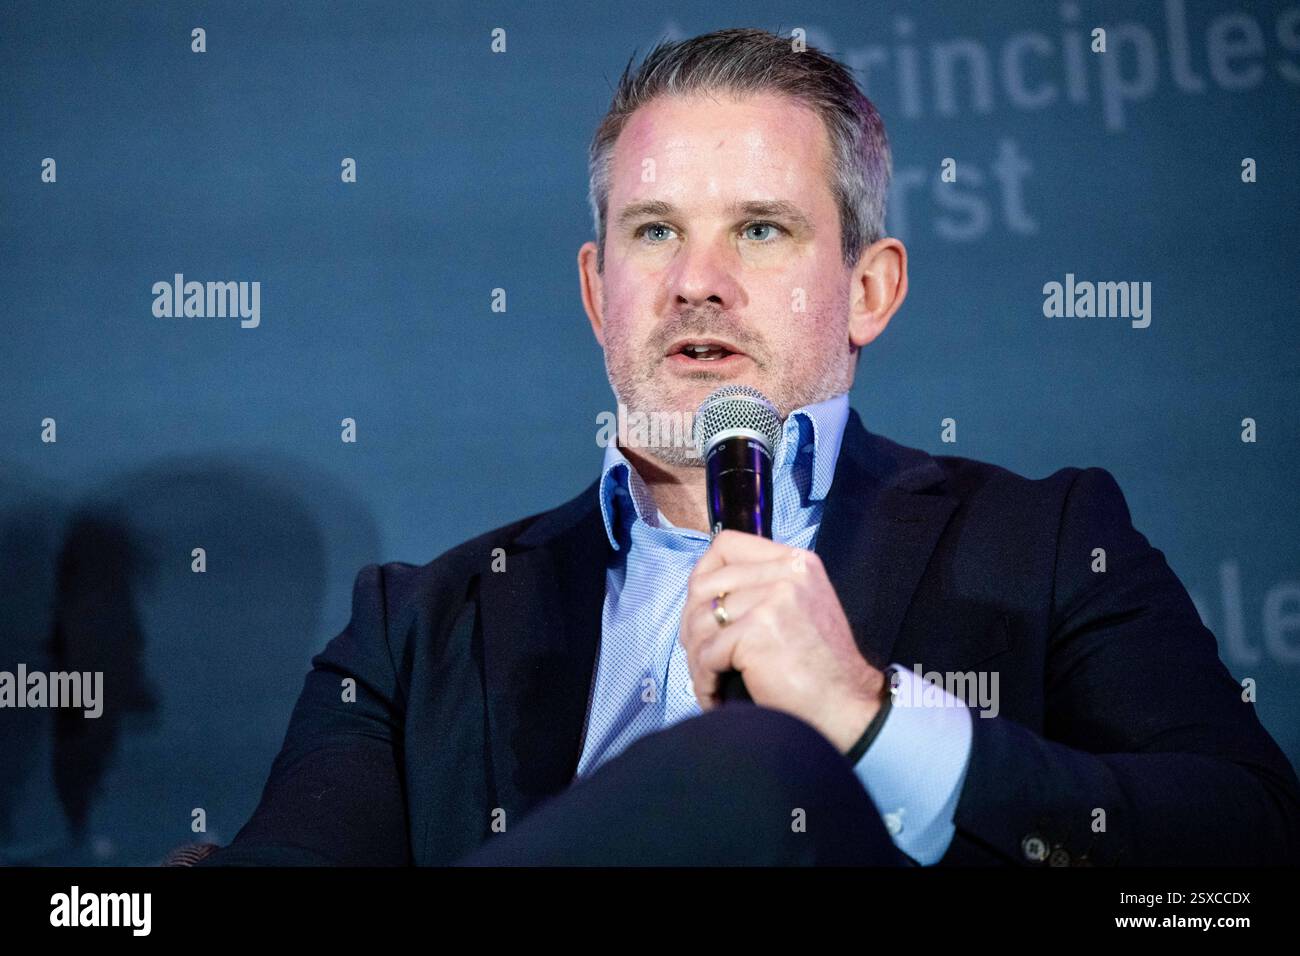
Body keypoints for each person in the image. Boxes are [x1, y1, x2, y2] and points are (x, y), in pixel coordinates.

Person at [198, 27, 1300, 867]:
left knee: (765, 760)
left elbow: (1246, 854)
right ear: (596, 289)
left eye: (759, 229)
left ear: (870, 289)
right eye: (655, 230)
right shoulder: (416, 627)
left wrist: (868, 716)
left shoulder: (1048, 544)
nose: (695, 279)